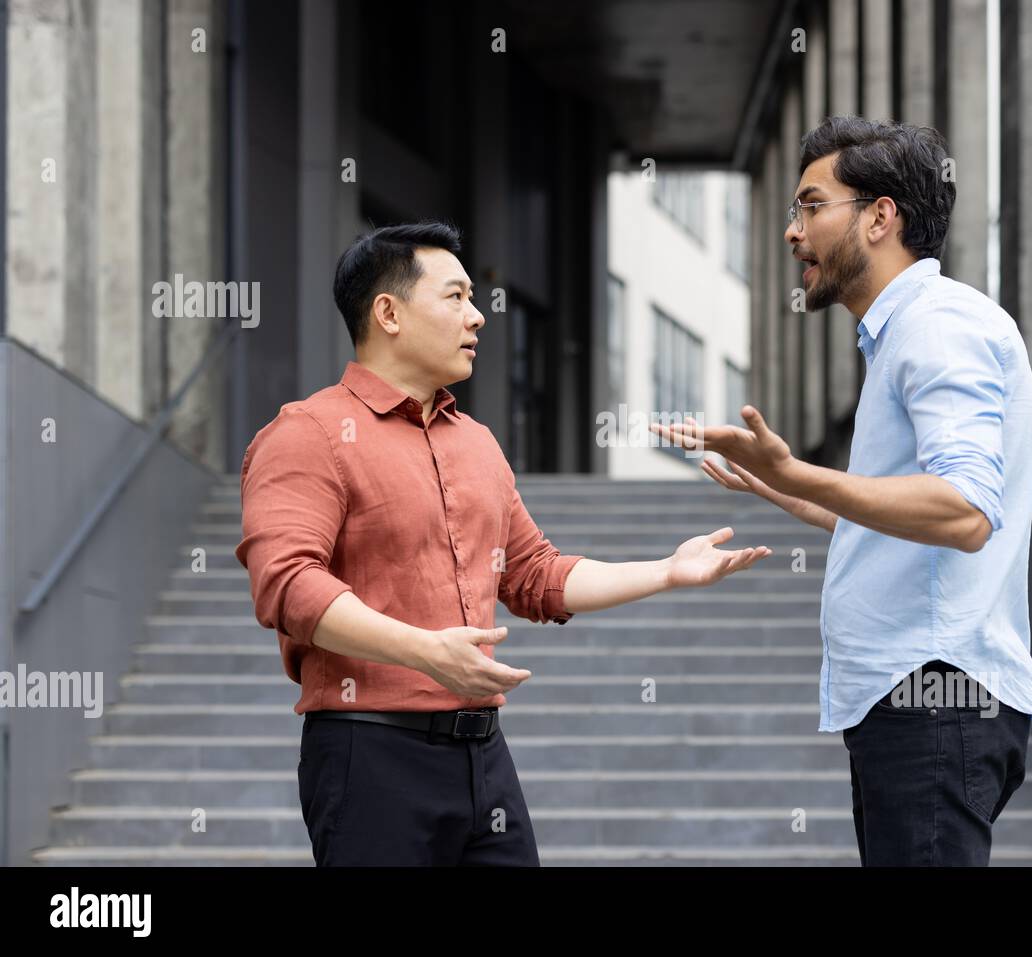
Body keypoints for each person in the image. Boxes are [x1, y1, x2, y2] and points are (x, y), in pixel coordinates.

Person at [235, 220, 771, 866]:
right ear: (388, 313)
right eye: (455, 297)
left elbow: (535, 575)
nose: (478, 316)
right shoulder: (308, 433)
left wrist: (667, 571)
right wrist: (425, 651)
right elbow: (288, 584)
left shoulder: (476, 443)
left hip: (483, 759)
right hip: (369, 752)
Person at [652, 117, 1032, 866]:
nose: (792, 232)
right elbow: (898, 514)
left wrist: (797, 472)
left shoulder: (935, 325)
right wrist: (781, 488)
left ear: (880, 216)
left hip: (933, 696)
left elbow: (966, 510)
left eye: (810, 206)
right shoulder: (903, 333)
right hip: (912, 698)